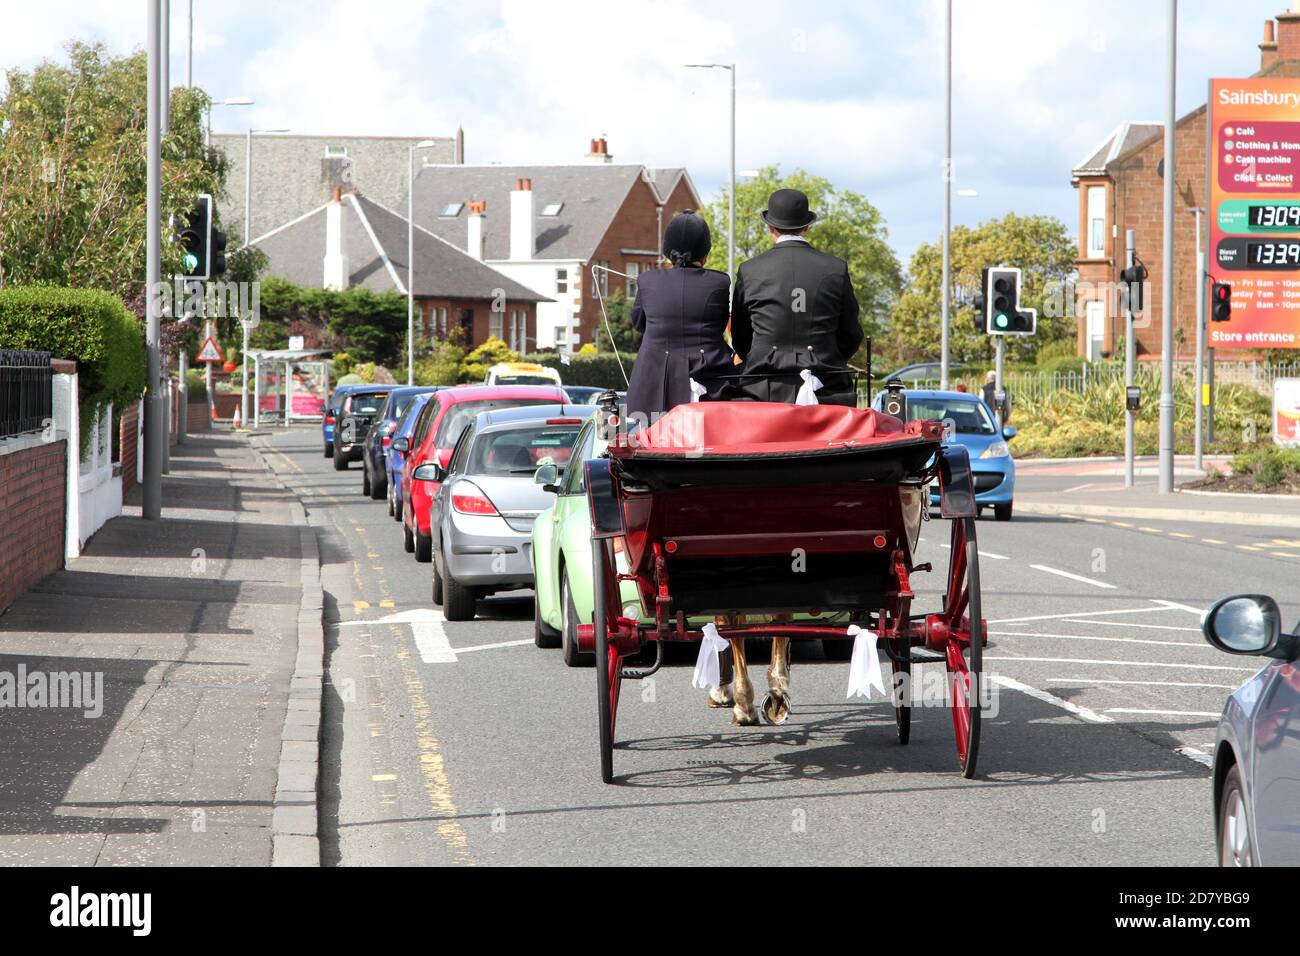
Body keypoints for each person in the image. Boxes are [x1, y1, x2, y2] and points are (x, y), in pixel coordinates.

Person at [730, 188, 863, 405]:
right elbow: (851, 334)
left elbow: (741, 337)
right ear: (807, 227)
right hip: (827, 387)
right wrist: (826, 358)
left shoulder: (749, 270)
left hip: (762, 389)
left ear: (770, 228)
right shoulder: (836, 268)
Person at [623, 211, 736, 423]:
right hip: (710, 381)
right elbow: (720, 324)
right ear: (704, 253)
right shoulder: (719, 282)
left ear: (668, 252)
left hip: (653, 385)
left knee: (646, 445)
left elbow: (639, 323)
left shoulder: (647, 281)